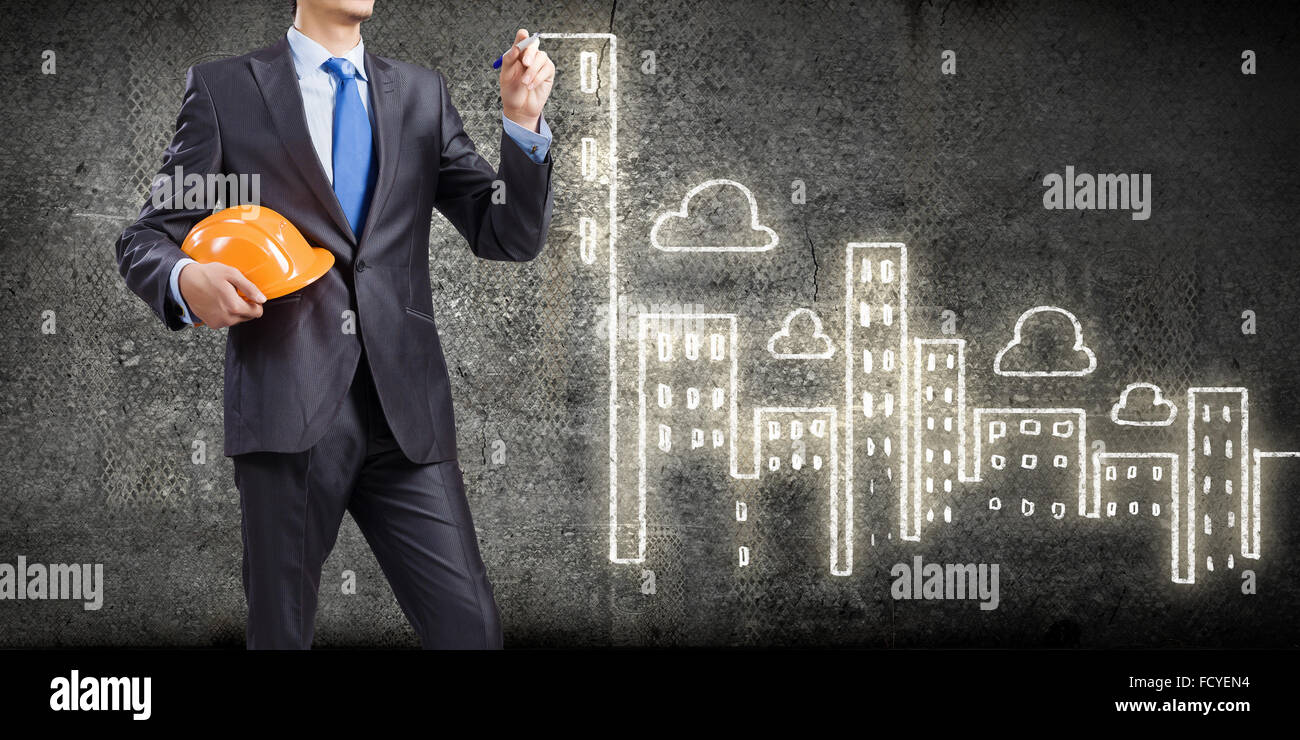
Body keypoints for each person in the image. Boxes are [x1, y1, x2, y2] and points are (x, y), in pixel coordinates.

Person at [114, 0, 556, 649]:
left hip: (407, 416)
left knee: (470, 631)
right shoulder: (226, 91)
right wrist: (185, 279)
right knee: (281, 636)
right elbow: (146, 236)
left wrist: (522, 122)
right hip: (285, 408)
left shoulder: (421, 95)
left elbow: (506, 233)